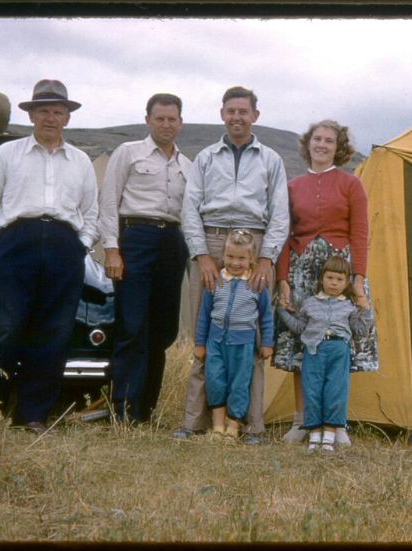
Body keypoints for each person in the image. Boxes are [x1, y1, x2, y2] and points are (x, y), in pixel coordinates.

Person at [0, 79, 98, 433]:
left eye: (58, 111)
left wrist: (80, 246)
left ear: (67, 118)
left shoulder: (81, 161)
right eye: (43, 111)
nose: (50, 118)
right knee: (5, 327)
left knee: (54, 333)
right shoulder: (7, 154)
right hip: (14, 246)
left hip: (64, 249)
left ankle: (32, 416)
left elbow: (91, 213)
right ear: (31, 115)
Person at [175, 85, 289, 444]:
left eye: (243, 111)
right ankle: (196, 421)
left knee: (249, 335)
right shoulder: (206, 158)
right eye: (231, 111)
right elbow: (190, 208)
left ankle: (251, 425)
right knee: (205, 332)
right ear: (222, 114)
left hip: (253, 244)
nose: (237, 117)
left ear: (255, 115)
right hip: (212, 241)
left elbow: (280, 212)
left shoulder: (270, 159)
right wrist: (202, 255)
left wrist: (267, 258)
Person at [274, 119, 379, 445]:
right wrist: (283, 279)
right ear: (308, 143)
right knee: (301, 343)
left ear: (339, 148)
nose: (321, 144)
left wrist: (358, 279)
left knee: (339, 346)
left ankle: (337, 423)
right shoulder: (292, 187)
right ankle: (301, 421)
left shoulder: (351, 184)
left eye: (329, 141)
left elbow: (360, 232)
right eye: (317, 139)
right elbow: (284, 234)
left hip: (340, 271)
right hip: (302, 271)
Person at [98, 93, 191, 423]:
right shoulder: (129, 153)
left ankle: (145, 410)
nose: (166, 124)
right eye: (160, 118)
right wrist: (112, 248)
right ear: (148, 120)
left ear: (181, 123)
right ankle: (123, 408)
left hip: (172, 242)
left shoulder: (187, 165)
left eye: (172, 119)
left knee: (163, 330)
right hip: (136, 237)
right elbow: (109, 201)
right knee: (132, 325)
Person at [276, 256, 374, 452]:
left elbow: (360, 330)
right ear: (322, 278)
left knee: (336, 391)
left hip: (339, 351)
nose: (334, 283)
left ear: (346, 282)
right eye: (330, 278)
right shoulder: (309, 303)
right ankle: (314, 435)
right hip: (314, 351)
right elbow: (299, 327)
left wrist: (365, 309)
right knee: (312, 390)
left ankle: (329, 435)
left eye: (339, 279)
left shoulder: (349, 306)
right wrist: (282, 311)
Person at [195, 230, 274, 440]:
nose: (235, 263)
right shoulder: (216, 281)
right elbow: (204, 315)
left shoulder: (257, 284)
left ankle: (233, 426)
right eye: (230, 256)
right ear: (223, 255)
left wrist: (267, 343)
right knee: (215, 381)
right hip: (216, 342)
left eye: (241, 258)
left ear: (252, 259)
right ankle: (217, 426)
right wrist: (200, 343)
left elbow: (266, 316)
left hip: (243, 344)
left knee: (239, 384)